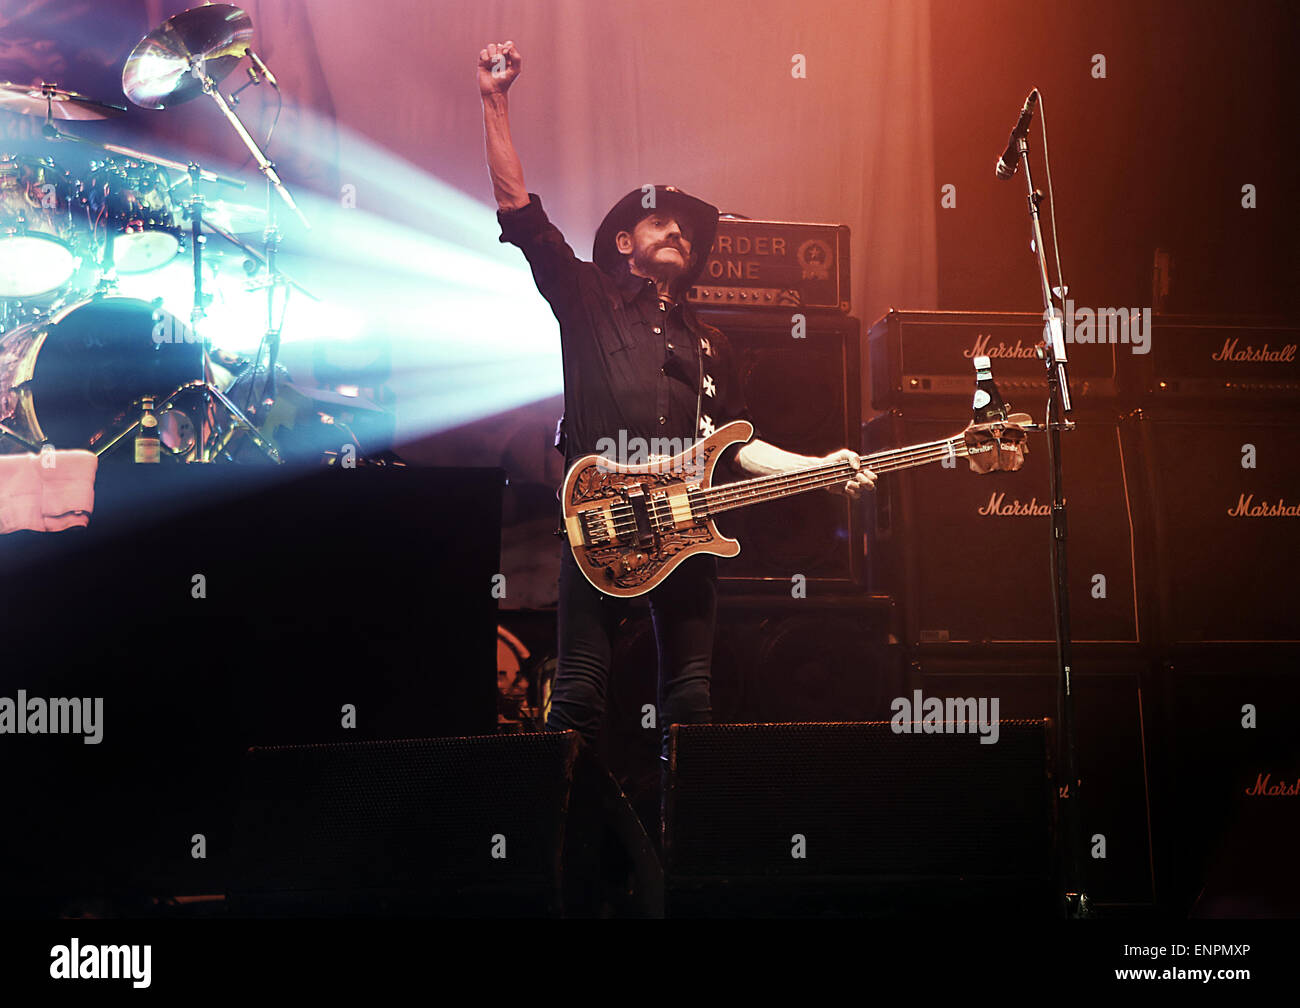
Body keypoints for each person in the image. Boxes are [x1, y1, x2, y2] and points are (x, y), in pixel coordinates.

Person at [478, 40, 875, 799]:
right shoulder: (587, 297)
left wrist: (822, 468)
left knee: (691, 700)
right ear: (626, 244)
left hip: (685, 529)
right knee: (578, 701)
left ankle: (686, 863)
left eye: (689, 231)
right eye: (663, 222)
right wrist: (495, 100)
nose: (680, 234)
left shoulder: (711, 343)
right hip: (598, 518)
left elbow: (741, 448)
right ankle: (565, 867)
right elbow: (517, 211)